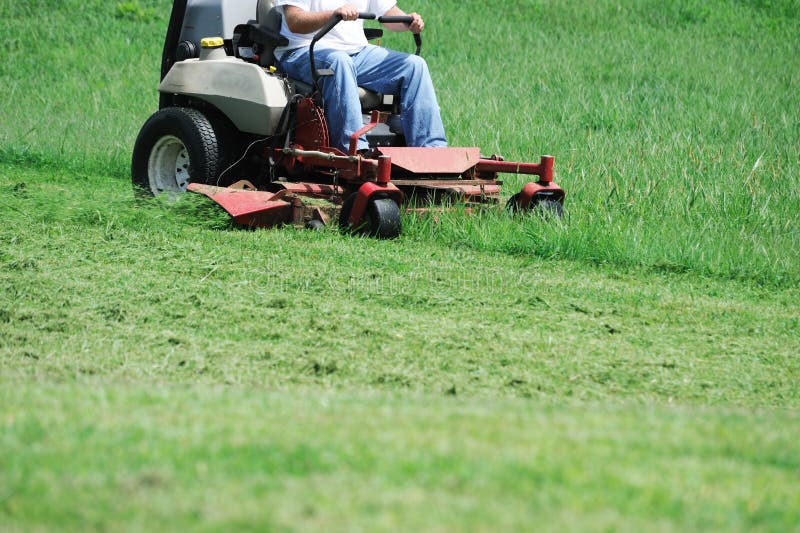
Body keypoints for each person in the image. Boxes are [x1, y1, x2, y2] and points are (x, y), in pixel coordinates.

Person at [274, 0, 448, 153]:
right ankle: (354, 150)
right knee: (340, 61)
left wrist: (408, 21)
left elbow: (387, 11)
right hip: (301, 50)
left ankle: (432, 150)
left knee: (414, 66)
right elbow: (294, 21)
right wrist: (333, 14)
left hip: (356, 52)